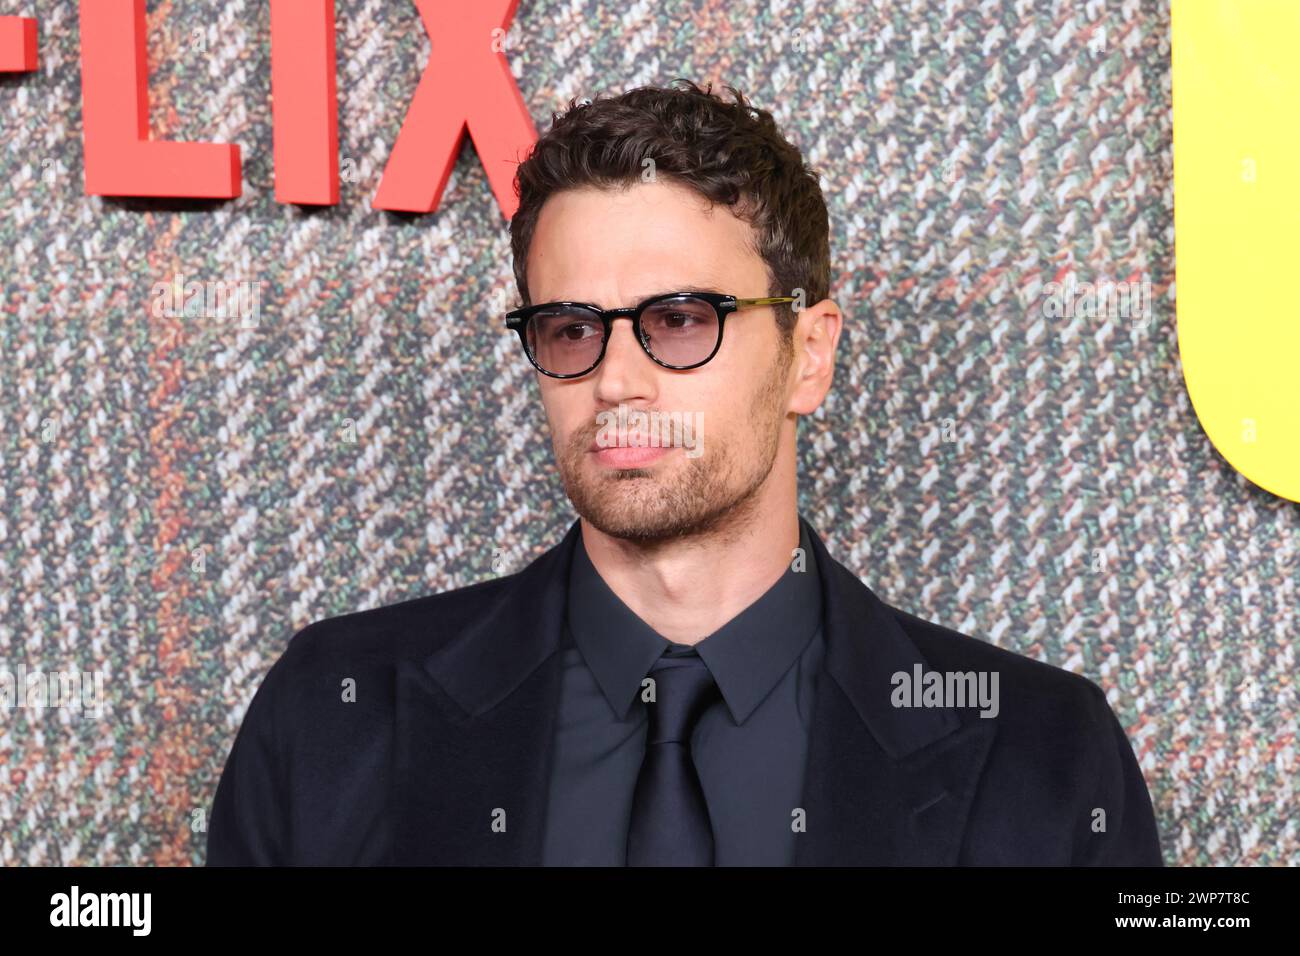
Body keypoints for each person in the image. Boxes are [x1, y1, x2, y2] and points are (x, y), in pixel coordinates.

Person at [207, 79, 1162, 866]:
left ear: (810, 354)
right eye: (572, 328)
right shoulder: (334, 715)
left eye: (679, 320)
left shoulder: (1043, 751)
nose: (616, 380)